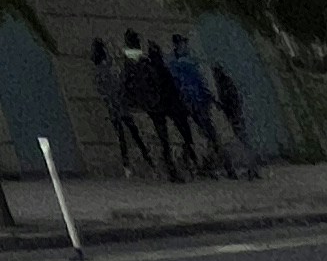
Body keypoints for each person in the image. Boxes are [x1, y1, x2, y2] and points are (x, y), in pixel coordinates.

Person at [120, 35, 193, 176]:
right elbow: (170, 88)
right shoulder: (155, 66)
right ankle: (179, 165)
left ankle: (171, 165)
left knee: (164, 139)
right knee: (179, 136)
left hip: (153, 107)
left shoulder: (136, 64)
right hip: (165, 105)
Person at [91, 41, 154, 174]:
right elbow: (118, 84)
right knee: (133, 134)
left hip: (114, 107)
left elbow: (104, 91)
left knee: (123, 136)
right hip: (119, 106)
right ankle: (146, 160)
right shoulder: (109, 68)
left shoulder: (99, 72)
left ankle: (129, 164)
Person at [169, 38, 227, 176]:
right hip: (196, 102)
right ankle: (211, 162)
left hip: (189, 103)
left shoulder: (174, 64)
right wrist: (212, 99)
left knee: (200, 134)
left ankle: (199, 161)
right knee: (208, 133)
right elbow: (201, 84)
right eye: (183, 44)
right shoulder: (188, 64)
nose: (186, 46)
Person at [210, 59, 259, 177]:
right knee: (244, 140)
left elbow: (230, 102)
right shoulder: (225, 83)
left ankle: (252, 168)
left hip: (234, 116)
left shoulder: (224, 85)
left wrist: (222, 106)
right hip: (235, 115)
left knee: (243, 140)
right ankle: (252, 168)